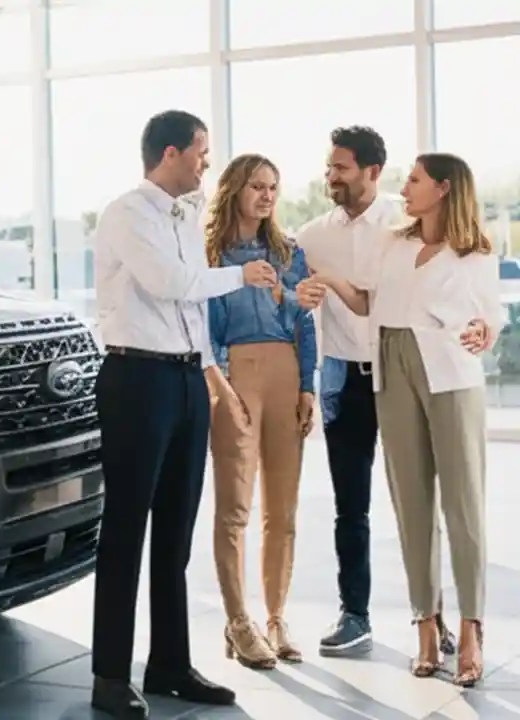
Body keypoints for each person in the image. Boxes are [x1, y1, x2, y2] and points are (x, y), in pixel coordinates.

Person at [89, 109, 278, 718]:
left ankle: (170, 664)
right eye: (200, 150)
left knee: (176, 530)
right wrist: (239, 275)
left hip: (185, 380)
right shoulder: (126, 213)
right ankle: (109, 677)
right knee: (125, 531)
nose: (206, 161)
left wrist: (209, 379)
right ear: (169, 153)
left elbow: (189, 306)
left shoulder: (188, 214)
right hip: (136, 379)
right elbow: (171, 282)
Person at [297, 152, 500, 687]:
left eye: (414, 180)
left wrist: (486, 330)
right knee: (412, 504)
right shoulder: (395, 241)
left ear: (445, 189)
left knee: (463, 507)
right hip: (392, 366)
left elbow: (490, 314)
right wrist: (326, 280)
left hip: (451, 372)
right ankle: (426, 627)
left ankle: (472, 628)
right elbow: (367, 303)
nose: (404, 189)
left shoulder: (473, 249)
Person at [204, 154, 317, 670]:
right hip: (234, 375)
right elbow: (205, 329)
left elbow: (306, 322)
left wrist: (308, 386)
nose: (267, 195)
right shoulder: (211, 256)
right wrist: (223, 387)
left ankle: (276, 617)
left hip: (286, 371)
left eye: (274, 186)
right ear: (234, 190)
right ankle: (238, 621)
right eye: (257, 185)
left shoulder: (290, 253)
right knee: (234, 508)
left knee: (283, 511)